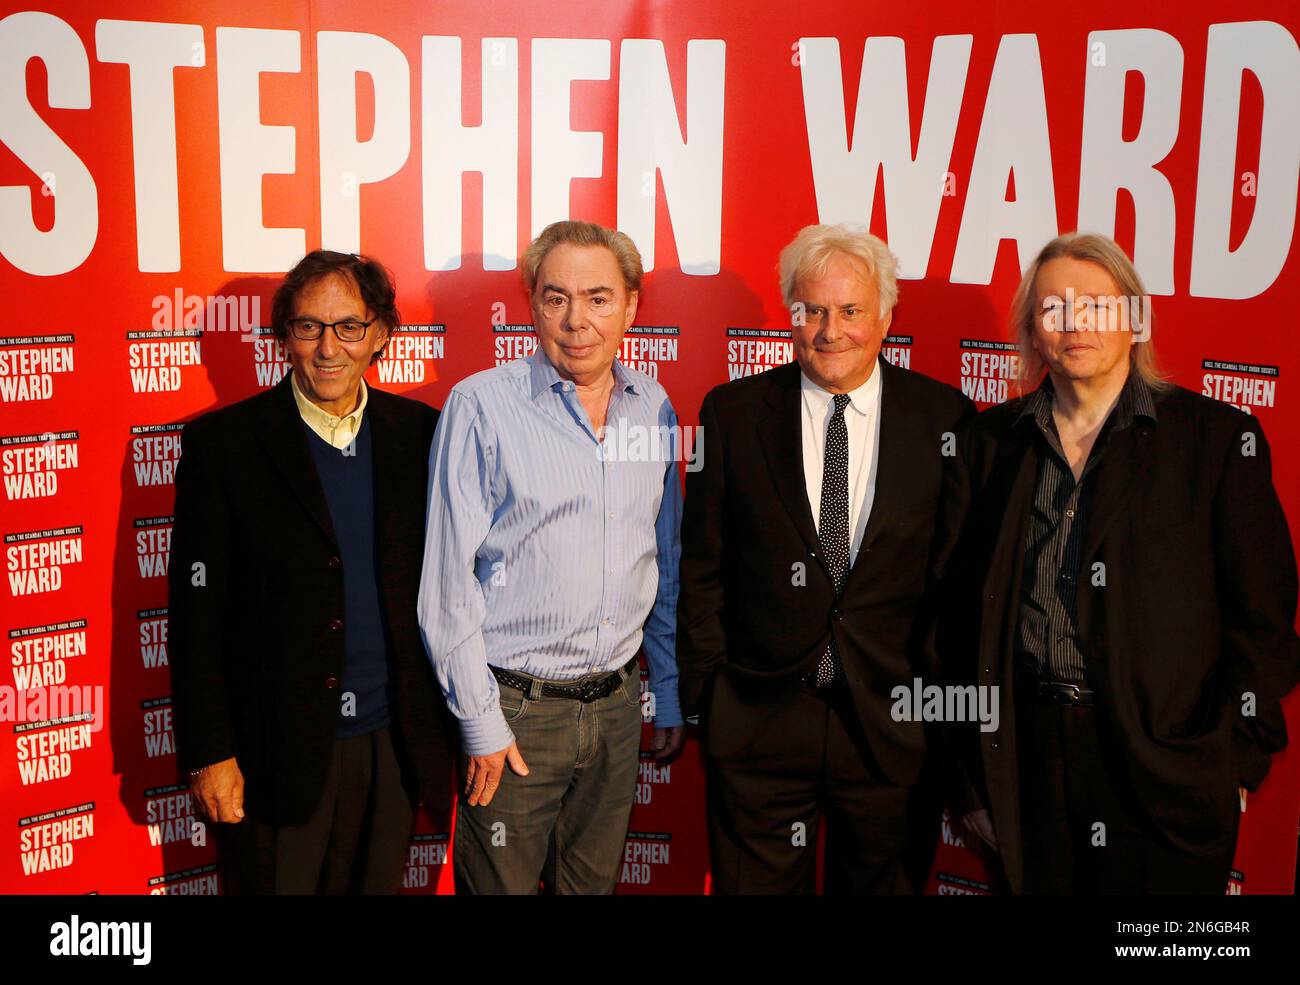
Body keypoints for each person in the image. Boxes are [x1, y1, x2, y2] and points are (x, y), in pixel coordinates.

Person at [934, 232, 1300, 893]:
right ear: (1032, 330)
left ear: (1134, 318)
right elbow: (953, 621)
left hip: (1164, 769)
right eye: (1055, 308)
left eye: (1097, 305)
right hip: (1026, 759)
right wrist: (972, 777)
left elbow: (1264, 621)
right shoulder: (986, 445)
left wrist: (1234, 761)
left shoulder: (1215, 442)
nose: (1076, 324)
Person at [677, 223, 973, 893]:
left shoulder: (947, 420)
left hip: (891, 731)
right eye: (811, 309)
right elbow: (701, 569)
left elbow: (955, 582)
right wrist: (709, 699)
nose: (829, 329)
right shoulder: (732, 413)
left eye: (850, 310)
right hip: (758, 725)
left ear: (886, 316)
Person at [169, 250, 452, 894]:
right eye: (308, 327)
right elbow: (196, 617)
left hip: (394, 740)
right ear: (284, 336)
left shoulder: (421, 435)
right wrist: (211, 753)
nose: (329, 348)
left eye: (349, 326)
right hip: (275, 751)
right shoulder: (226, 446)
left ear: (379, 334)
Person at [418, 220, 683, 894]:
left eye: (598, 297)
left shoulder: (654, 407)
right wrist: (480, 722)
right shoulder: (481, 406)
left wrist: (669, 692)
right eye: (555, 297)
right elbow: (447, 588)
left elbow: (663, 556)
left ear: (631, 305)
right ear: (532, 304)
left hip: (621, 708)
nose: (576, 320)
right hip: (516, 713)